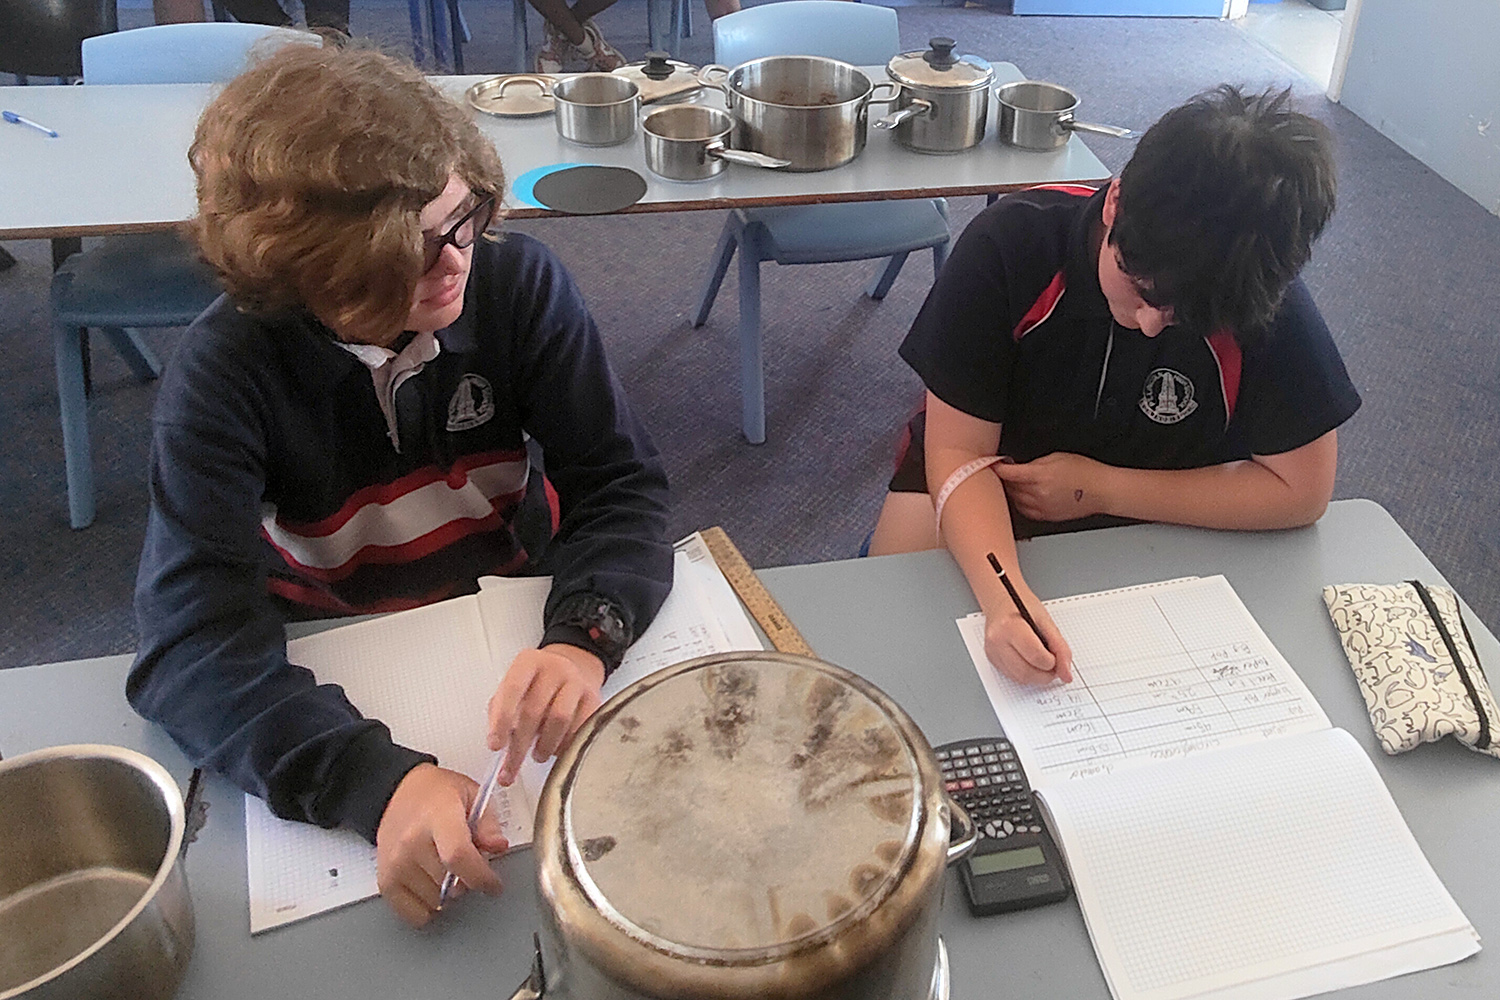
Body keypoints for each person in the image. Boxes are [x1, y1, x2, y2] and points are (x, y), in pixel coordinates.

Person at [127, 44, 673, 928]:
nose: (455, 262)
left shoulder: (517, 285)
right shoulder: (222, 375)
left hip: (508, 608)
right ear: (296, 267)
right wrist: (375, 786)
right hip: (332, 644)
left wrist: (585, 632)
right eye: (404, 254)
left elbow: (619, 484)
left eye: (464, 219)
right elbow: (190, 648)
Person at [867, 85, 1360, 688]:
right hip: (991, 478)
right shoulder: (1012, 245)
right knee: (895, 637)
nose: (1151, 323)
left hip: (1160, 494)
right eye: (1141, 289)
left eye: (1184, 315)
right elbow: (957, 454)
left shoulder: (1247, 292)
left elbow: (1302, 493)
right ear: (1114, 203)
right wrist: (1004, 599)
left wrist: (1101, 489)